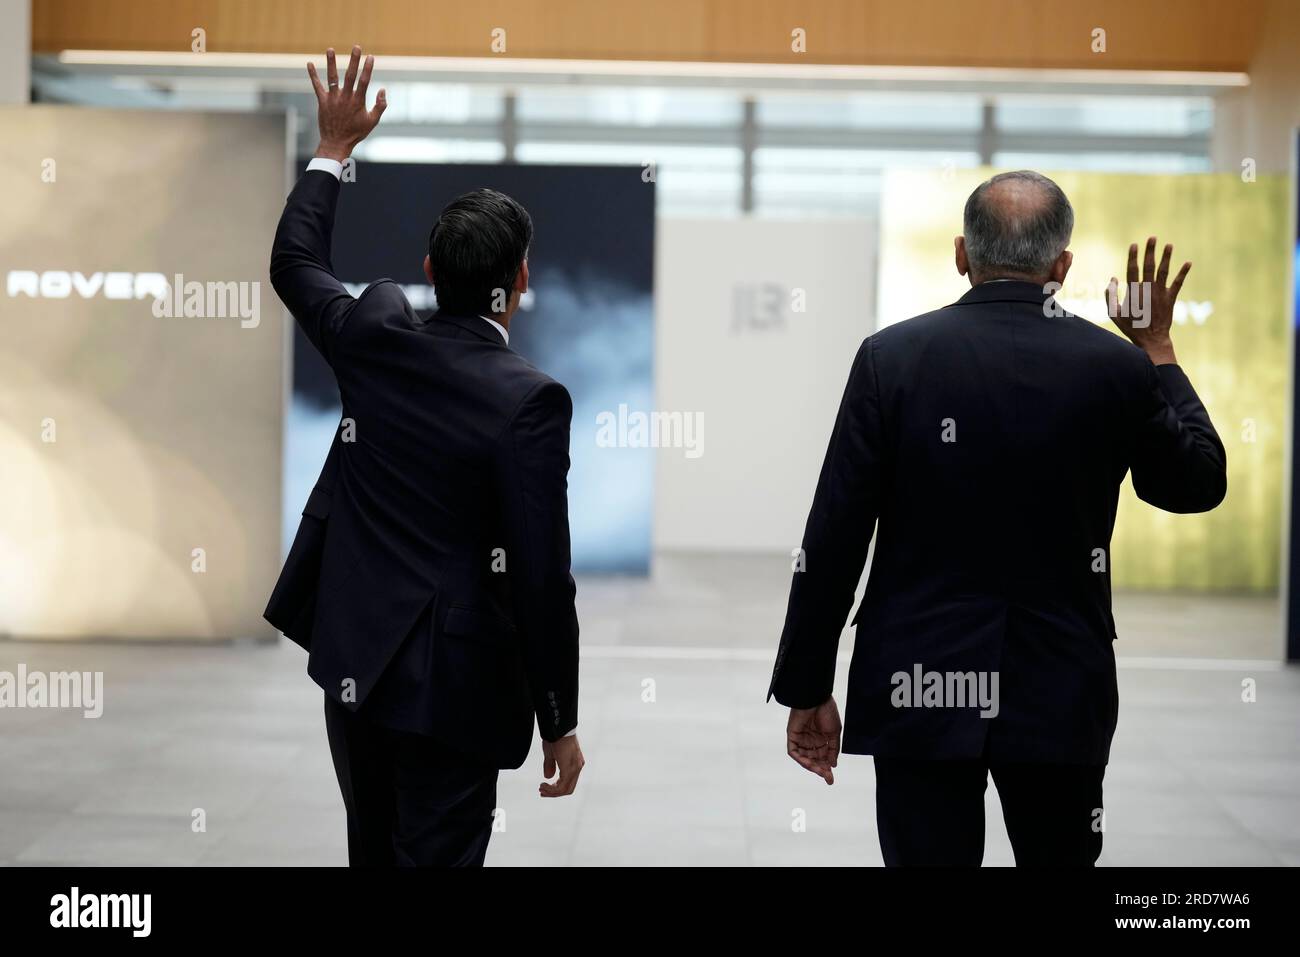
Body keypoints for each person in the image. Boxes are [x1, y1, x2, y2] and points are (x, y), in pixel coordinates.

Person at [768, 170, 1226, 866]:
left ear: (962, 252)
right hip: (1060, 693)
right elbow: (1196, 483)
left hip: (917, 684)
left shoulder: (891, 358)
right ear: (1062, 266)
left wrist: (807, 685)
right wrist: (1156, 346)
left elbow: (833, 536)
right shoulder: (1114, 367)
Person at [265, 46, 584, 867]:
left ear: (432, 271)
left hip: (356, 678)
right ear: (520, 279)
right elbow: (542, 574)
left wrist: (332, 152)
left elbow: (295, 263)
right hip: (454, 698)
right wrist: (560, 718)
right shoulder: (530, 400)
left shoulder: (374, 343)